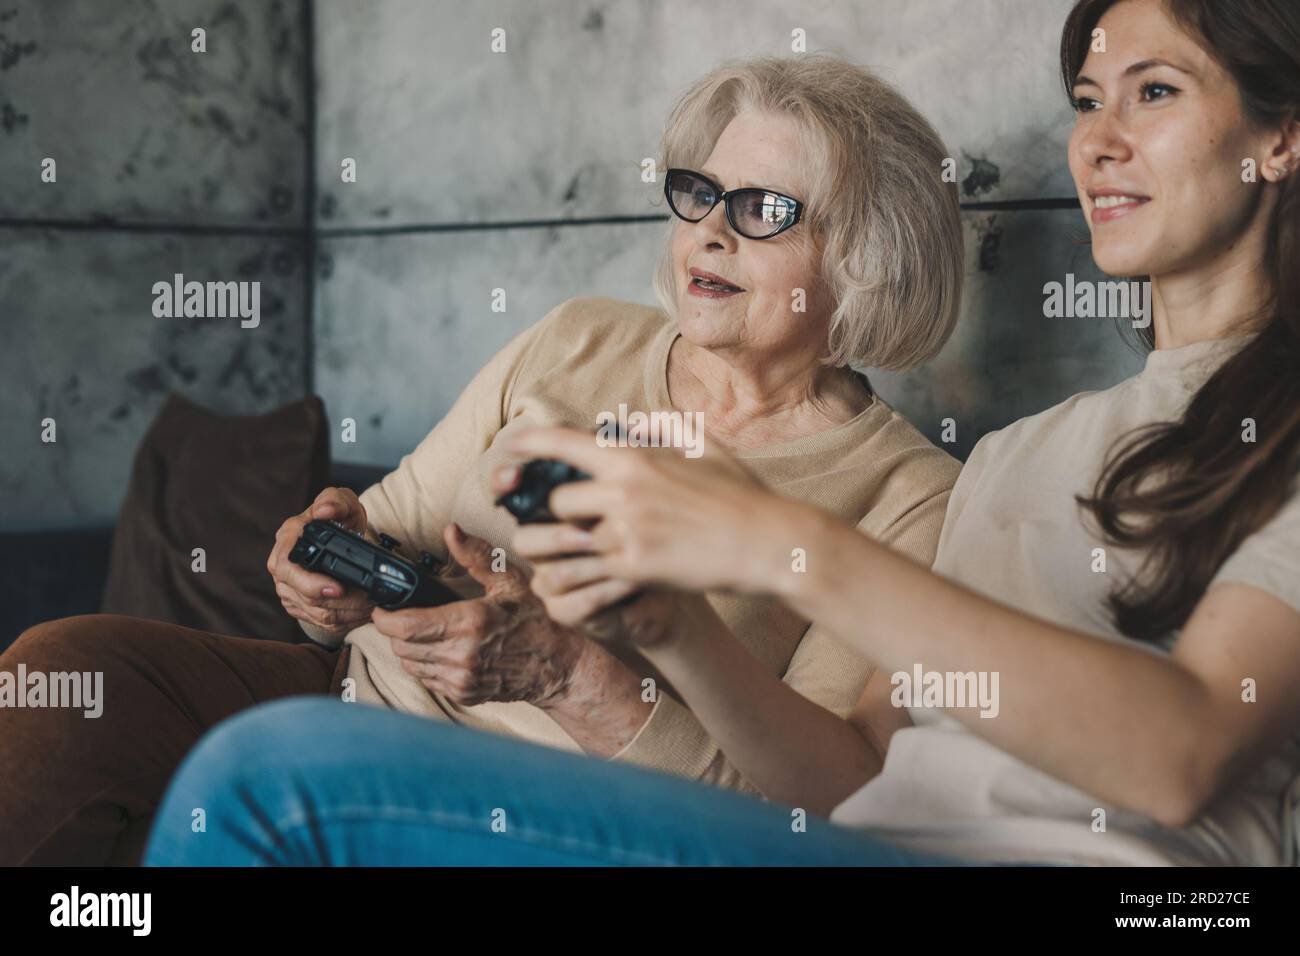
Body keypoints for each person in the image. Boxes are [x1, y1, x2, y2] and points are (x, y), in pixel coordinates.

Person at [144, 0, 1300, 868]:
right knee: (95, 689)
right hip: (876, 836)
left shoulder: (940, 482)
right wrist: (674, 623)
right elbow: (852, 777)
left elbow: (1178, 752)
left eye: (1154, 92)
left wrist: (756, 541)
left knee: (271, 775)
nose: (1094, 142)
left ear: (1281, 137)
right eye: (1087, 101)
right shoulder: (1023, 452)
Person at [1, 53, 964, 865]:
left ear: (865, 258)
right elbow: (386, 519)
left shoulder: (911, 497)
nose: (709, 230)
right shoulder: (579, 336)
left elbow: (817, 817)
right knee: (61, 676)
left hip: (571, 807)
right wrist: (328, 561)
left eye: (765, 209)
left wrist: (565, 675)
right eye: (702, 194)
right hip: (351, 697)